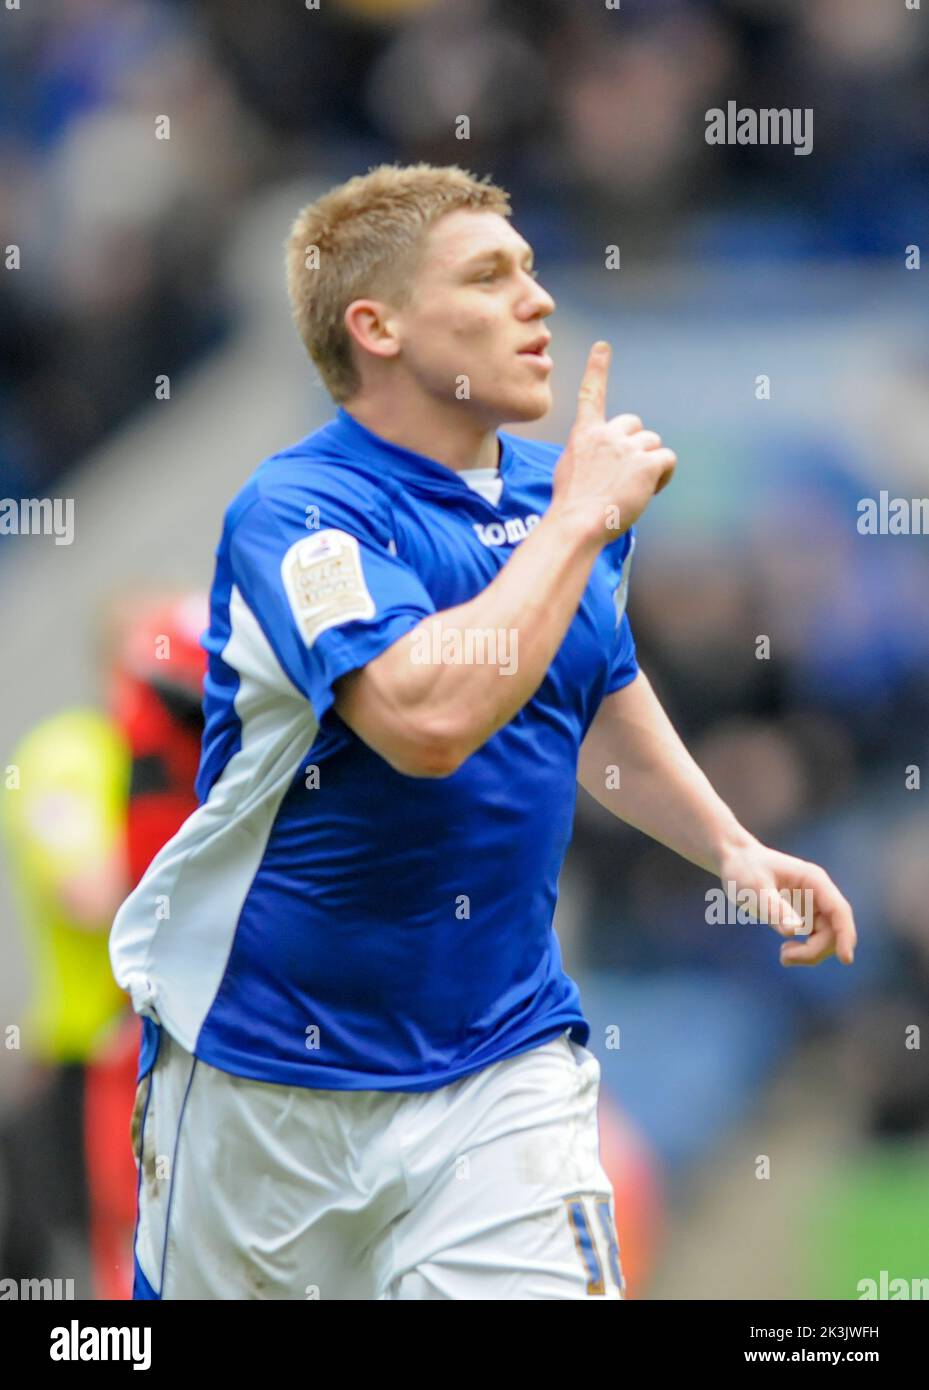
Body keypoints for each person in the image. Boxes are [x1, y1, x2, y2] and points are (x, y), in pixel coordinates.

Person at [110, 162, 857, 1301]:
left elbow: (592, 693)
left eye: (531, 268)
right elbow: (423, 719)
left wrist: (729, 845)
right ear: (380, 327)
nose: (538, 299)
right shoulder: (300, 511)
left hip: (501, 1067)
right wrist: (577, 524)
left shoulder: (562, 502)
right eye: (489, 274)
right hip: (265, 1074)